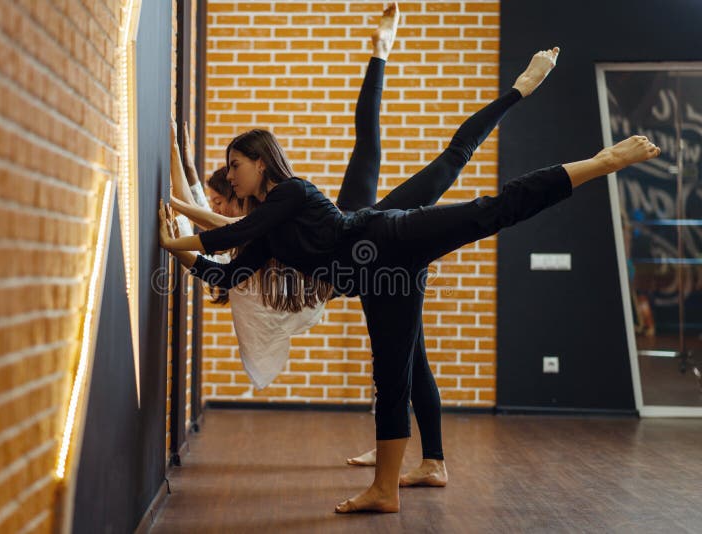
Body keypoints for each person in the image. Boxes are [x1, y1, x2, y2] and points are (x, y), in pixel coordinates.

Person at [159, 45, 660, 512]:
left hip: (390, 237)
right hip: (378, 283)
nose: (231, 175)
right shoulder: (270, 232)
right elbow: (229, 271)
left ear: (260, 162)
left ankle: (600, 160)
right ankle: (385, 489)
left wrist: (174, 231)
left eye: (234, 166)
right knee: (392, 374)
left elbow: (227, 234)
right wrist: (183, 257)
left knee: (489, 210)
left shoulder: (289, 192)